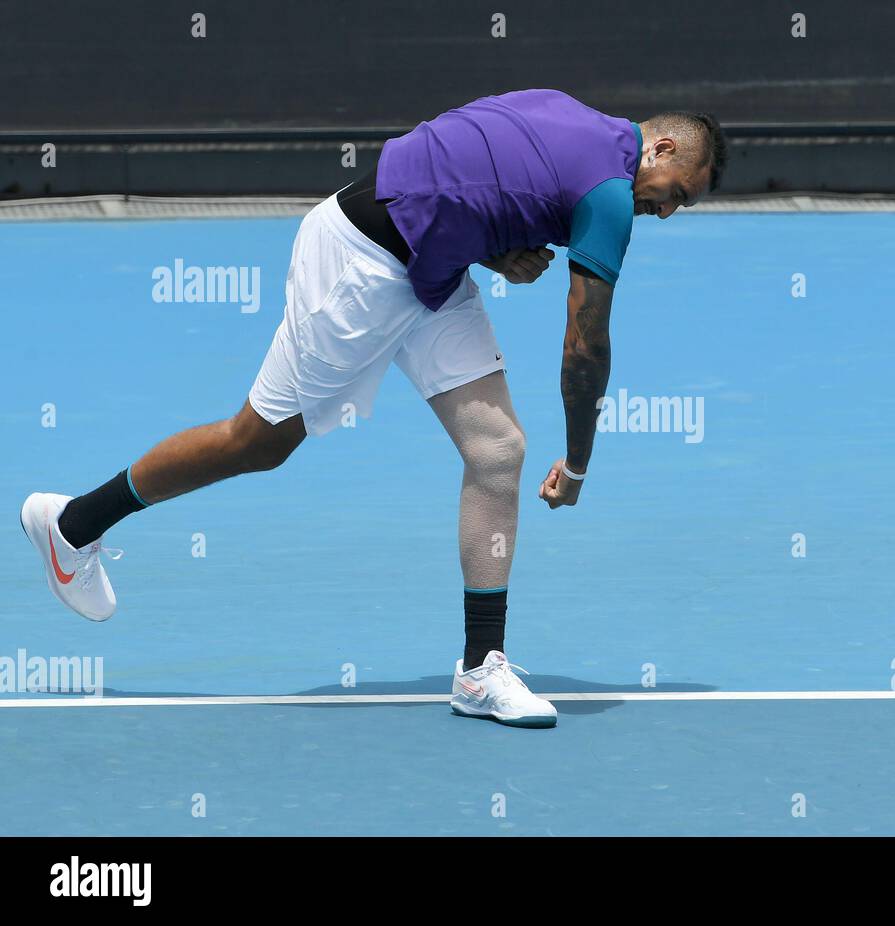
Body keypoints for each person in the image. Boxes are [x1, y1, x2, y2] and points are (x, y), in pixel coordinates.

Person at [20, 89, 728, 728]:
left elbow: (456, 156)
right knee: (258, 442)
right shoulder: (608, 194)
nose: (665, 211)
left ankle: (482, 670)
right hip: (360, 266)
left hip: (430, 268)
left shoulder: (567, 114)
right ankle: (72, 523)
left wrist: (495, 246)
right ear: (660, 148)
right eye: (676, 195)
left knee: (496, 450)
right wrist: (577, 464)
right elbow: (583, 350)